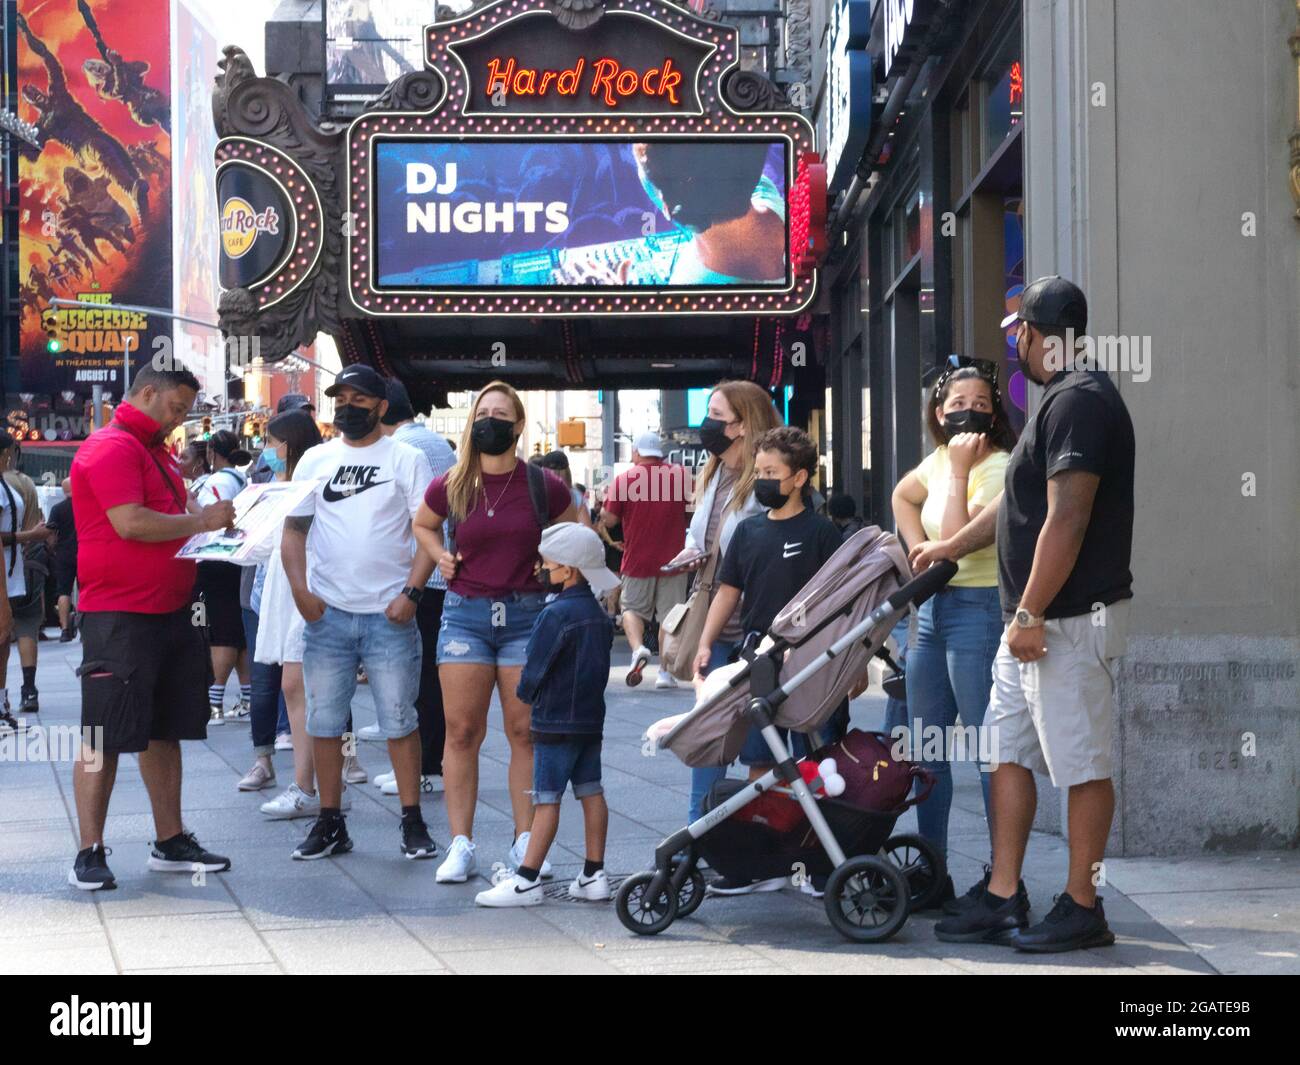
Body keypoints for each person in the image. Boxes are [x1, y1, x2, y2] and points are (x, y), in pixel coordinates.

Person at [917, 277, 1135, 952]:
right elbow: (1016, 513)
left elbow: (1067, 519)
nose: (1015, 343)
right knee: (1006, 751)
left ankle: (1082, 903)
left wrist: (1033, 608)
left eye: (1020, 331)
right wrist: (950, 547)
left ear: (1041, 331)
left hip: (1064, 617)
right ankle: (1004, 893)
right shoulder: (1054, 403)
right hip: (1028, 621)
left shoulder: (1081, 401)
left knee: (1080, 762)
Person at [68, 362, 236, 890]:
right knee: (104, 735)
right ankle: (89, 852)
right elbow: (131, 522)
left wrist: (219, 529)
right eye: (176, 408)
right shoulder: (111, 447)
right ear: (147, 393)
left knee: (166, 730)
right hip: (120, 615)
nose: (180, 420)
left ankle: (169, 840)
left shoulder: (154, 451)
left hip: (169, 612)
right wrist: (201, 523)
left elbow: (176, 517)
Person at [412, 380, 580, 884]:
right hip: (465, 614)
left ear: (518, 424)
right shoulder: (453, 482)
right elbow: (422, 524)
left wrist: (553, 565)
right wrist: (439, 554)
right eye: (482, 412)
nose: (490, 420)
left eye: (500, 413)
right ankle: (461, 844)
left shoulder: (541, 485)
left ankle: (526, 839)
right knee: (461, 731)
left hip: (526, 616)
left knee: (524, 731)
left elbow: (575, 531)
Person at [280, 364, 438, 861]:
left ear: (381, 406)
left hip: (389, 615)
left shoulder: (407, 458)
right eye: (340, 398)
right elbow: (293, 532)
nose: (347, 407)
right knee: (324, 722)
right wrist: (301, 593)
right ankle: (331, 821)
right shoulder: (313, 461)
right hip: (327, 615)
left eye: (359, 399)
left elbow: (428, 531)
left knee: (398, 718)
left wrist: (411, 595)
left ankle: (413, 821)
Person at [692, 426, 846, 894]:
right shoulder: (747, 531)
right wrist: (705, 641)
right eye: (758, 472)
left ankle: (821, 863)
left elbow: (841, 599)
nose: (762, 481)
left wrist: (852, 665)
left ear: (799, 477)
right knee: (761, 763)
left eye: (771, 473)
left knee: (822, 763)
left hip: (814, 660)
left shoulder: (822, 533)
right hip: (759, 659)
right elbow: (728, 591)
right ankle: (765, 861)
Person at [889, 357, 1016, 904]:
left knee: (987, 745)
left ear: (994, 415)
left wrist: (962, 470)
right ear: (938, 413)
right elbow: (902, 496)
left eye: (980, 406)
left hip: (979, 609)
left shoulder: (1002, 465)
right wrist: (922, 552)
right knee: (926, 744)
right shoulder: (935, 459)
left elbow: (969, 535)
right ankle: (929, 868)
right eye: (957, 406)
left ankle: (999, 876)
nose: (968, 414)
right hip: (932, 612)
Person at [475, 522, 617, 907]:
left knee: (546, 799)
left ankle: (526, 880)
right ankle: (594, 873)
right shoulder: (599, 615)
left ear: (568, 570)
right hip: (591, 720)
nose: (541, 571)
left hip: (554, 721)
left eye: (547, 565)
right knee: (591, 792)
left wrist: (524, 694)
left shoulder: (555, 615)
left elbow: (535, 668)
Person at [661, 381, 782, 824]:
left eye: (715, 414)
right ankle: (702, 837)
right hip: (715, 623)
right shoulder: (714, 472)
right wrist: (693, 553)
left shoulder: (767, 480)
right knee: (707, 739)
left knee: (758, 746)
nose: (706, 425)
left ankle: (757, 841)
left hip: (754, 628)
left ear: (743, 424)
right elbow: (710, 541)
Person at [368, 377, 456, 798]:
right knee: (427, 675)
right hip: (440, 574)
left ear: (381, 410)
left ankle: (427, 767)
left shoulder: (404, 451)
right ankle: (428, 763)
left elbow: (413, 518)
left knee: (419, 675)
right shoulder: (435, 443)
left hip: (423, 577)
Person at [235, 412, 323, 794]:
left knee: (300, 687)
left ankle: (311, 786)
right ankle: (308, 785)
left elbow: (276, 541)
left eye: (271, 442)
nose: (266, 450)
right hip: (279, 593)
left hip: (300, 591)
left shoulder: (305, 486)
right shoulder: (275, 485)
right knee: (293, 687)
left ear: (290, 443)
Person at [600, 430, 688, 689]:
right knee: (670, 617)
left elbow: (611, 519)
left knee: (631, 610)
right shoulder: (681, 475)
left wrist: (605, 510)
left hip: (638, 559)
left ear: (637, 453)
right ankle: (665, 672)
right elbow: (694, 510)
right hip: (674, 560)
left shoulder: (625, 479)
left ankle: (639, 648)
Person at [194, 430, 251, 724]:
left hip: (215, 557)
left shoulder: (216, 482)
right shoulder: (243, 479)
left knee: (220, 633)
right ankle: (247, 696)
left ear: (212, 453)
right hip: (237, 558)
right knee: (237, 633)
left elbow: (205, 518)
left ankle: (213, 703)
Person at [0, 437, 55, 714]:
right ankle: (28, 689)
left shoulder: (6, 484)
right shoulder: (25, 485)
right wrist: (34, 537)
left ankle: (4, 695)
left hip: (16, 566)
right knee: (26, 626)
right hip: (26, 560)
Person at [47, 478, 79, 642]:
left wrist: (52, 550)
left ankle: (65, 630)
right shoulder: (85, 506)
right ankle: (85, 631)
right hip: (83, 552)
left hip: (63, 555)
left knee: (63, 591)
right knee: (86, 590)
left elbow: (51, 534)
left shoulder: (57, 509)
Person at [531, 450, 595, 529]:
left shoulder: (535, 494)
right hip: (570, 538)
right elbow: (587, 530)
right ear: (568, 471)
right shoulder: (576, 495)